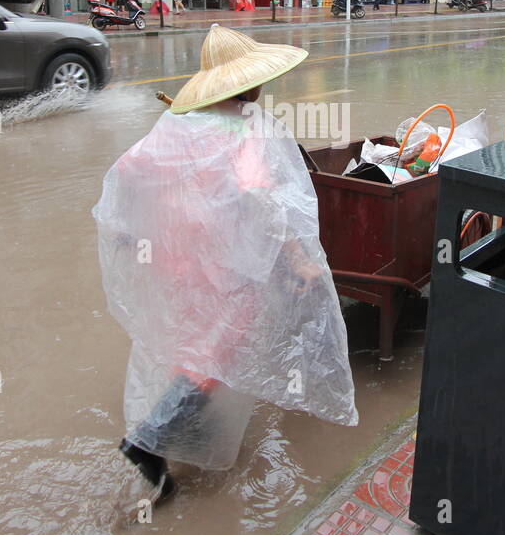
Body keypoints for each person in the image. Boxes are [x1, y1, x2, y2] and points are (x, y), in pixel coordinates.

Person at [93, 26, 359, 503]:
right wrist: (298, 257)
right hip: (229, 262)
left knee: (193, 340)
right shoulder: (249, 128)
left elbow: (131, 173)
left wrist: (126, 231)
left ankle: (186, 434)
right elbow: (263, 197)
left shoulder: (180, 123)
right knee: (220, 347)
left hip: (178, 258)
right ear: (250, 83)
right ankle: (149, 440)